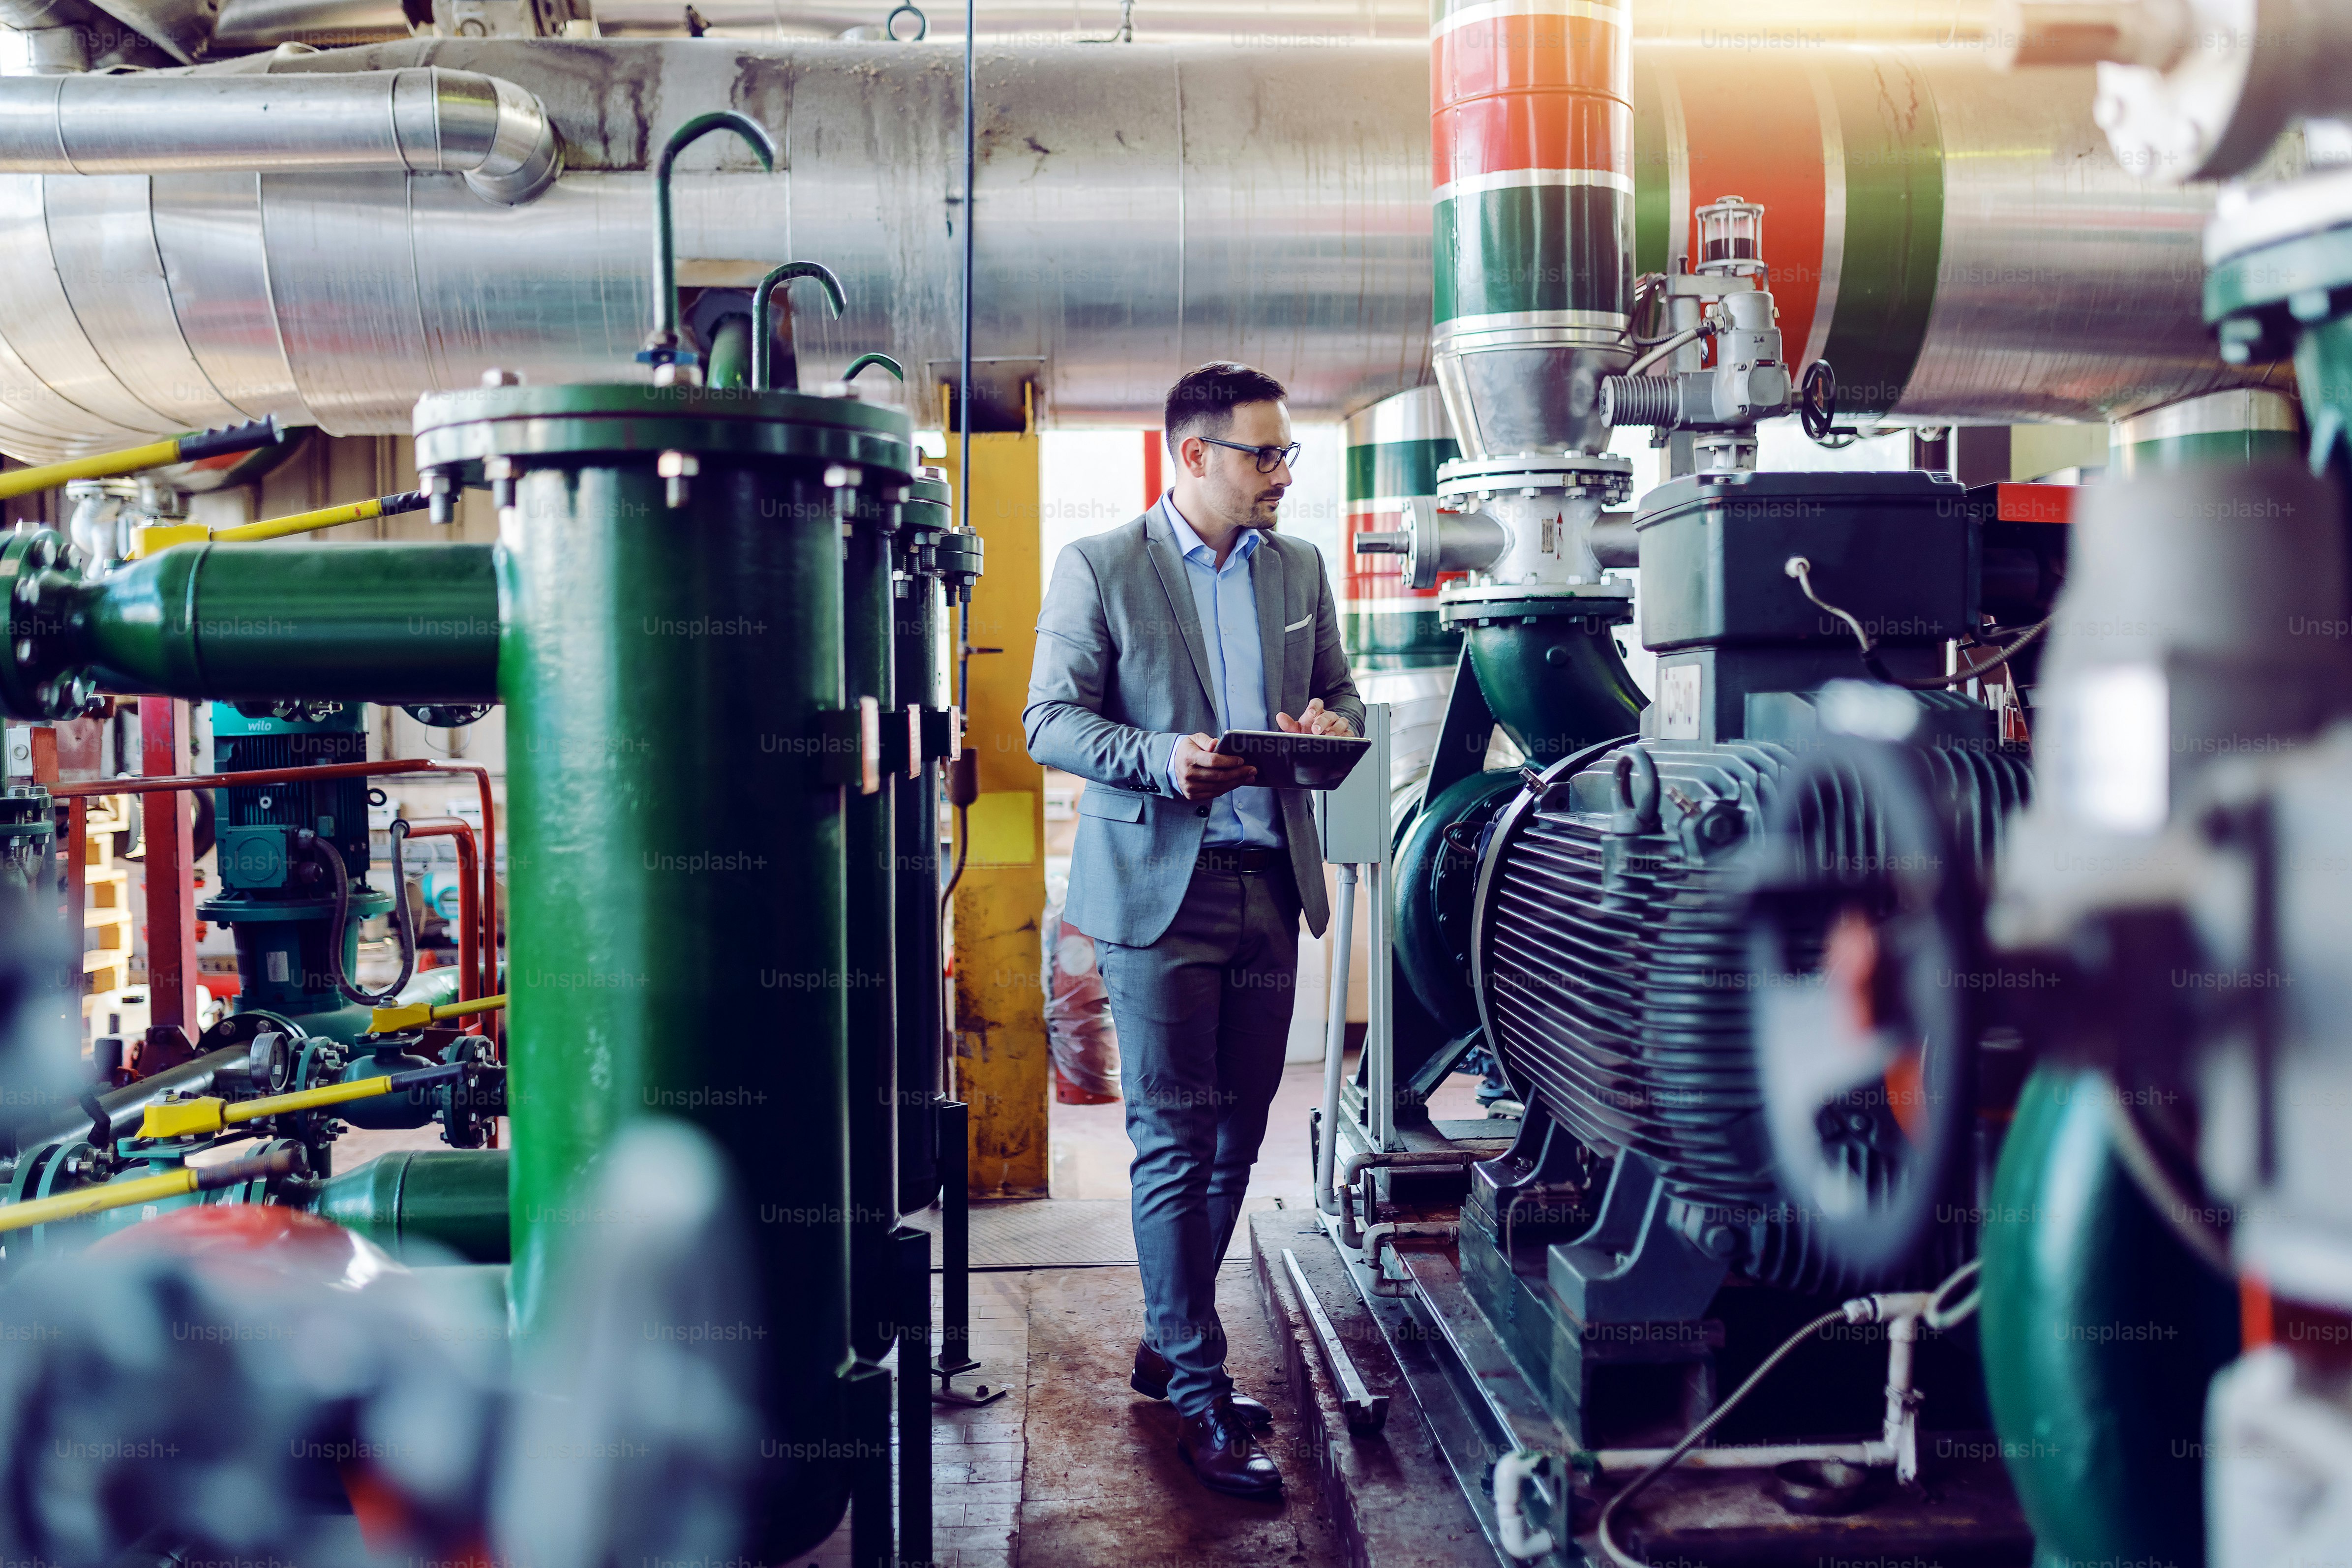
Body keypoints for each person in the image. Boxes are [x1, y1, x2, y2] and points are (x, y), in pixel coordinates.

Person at [1023, 361, 1363, 1501]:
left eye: (1286, 454)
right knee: (1173, 1140)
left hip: (1271, 888)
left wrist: (1325, 725)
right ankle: (1200, 1391)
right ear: (1194, 456)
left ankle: (1171, 1343)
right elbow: (1049, 720)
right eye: (1262, 454)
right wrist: (1163, 759)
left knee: (1236, 1137)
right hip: (1158, 897)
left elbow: (1346, 699)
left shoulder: (1302, 568)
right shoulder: (1103, 565)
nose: (1280, 474)